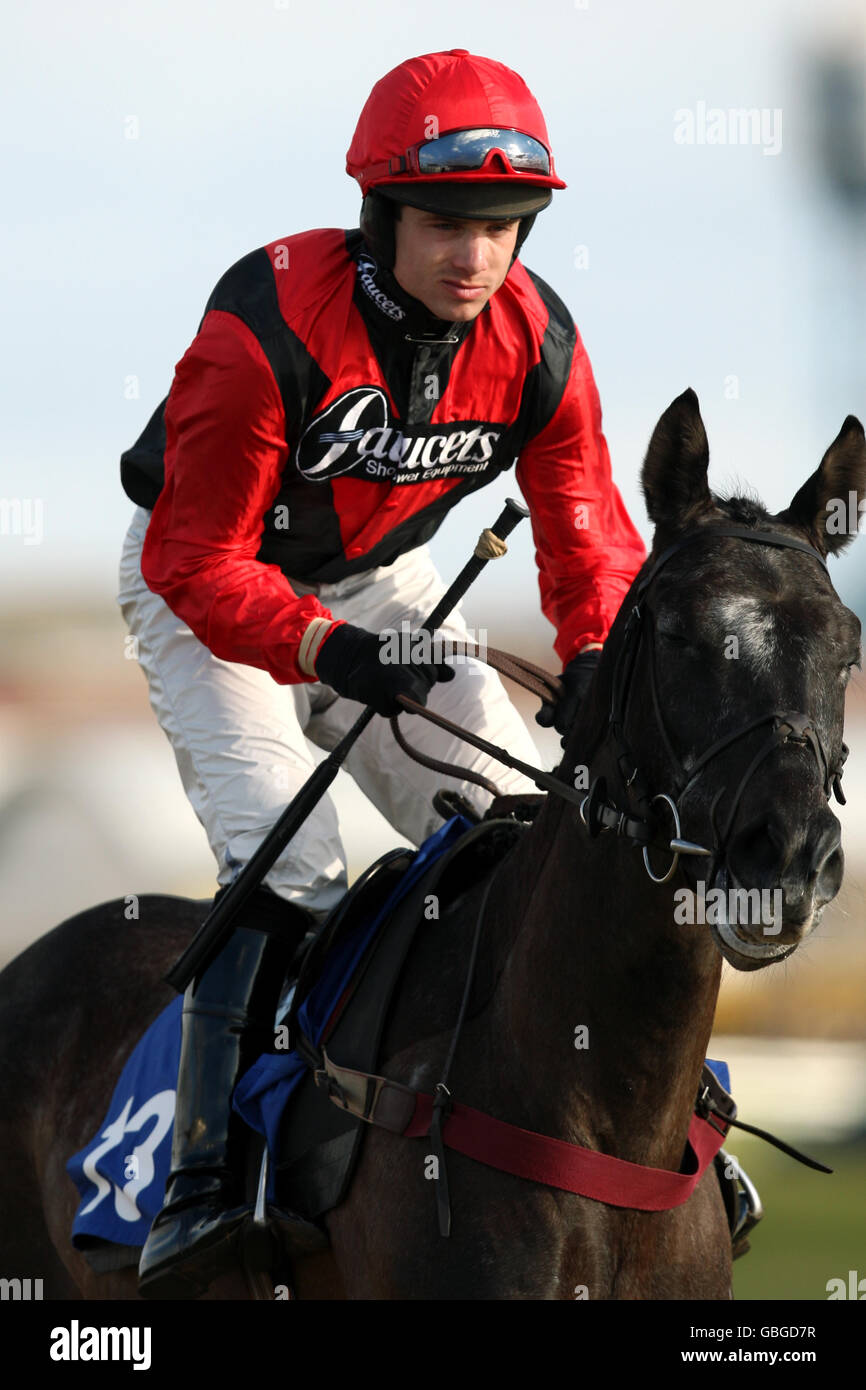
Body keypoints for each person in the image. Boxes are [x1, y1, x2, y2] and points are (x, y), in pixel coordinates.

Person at [117, 48, 646, 1298]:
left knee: (509, 827)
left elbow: (587, 534)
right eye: (446, 224)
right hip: (208, 580)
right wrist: (322, 648)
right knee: (288, 856)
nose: (478, 258)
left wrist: (594, 666)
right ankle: (205, 1178)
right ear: (380, 213)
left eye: (505, 228)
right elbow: (198, 558)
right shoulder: (266, 321)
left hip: (384, 588)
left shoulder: (540, 340)